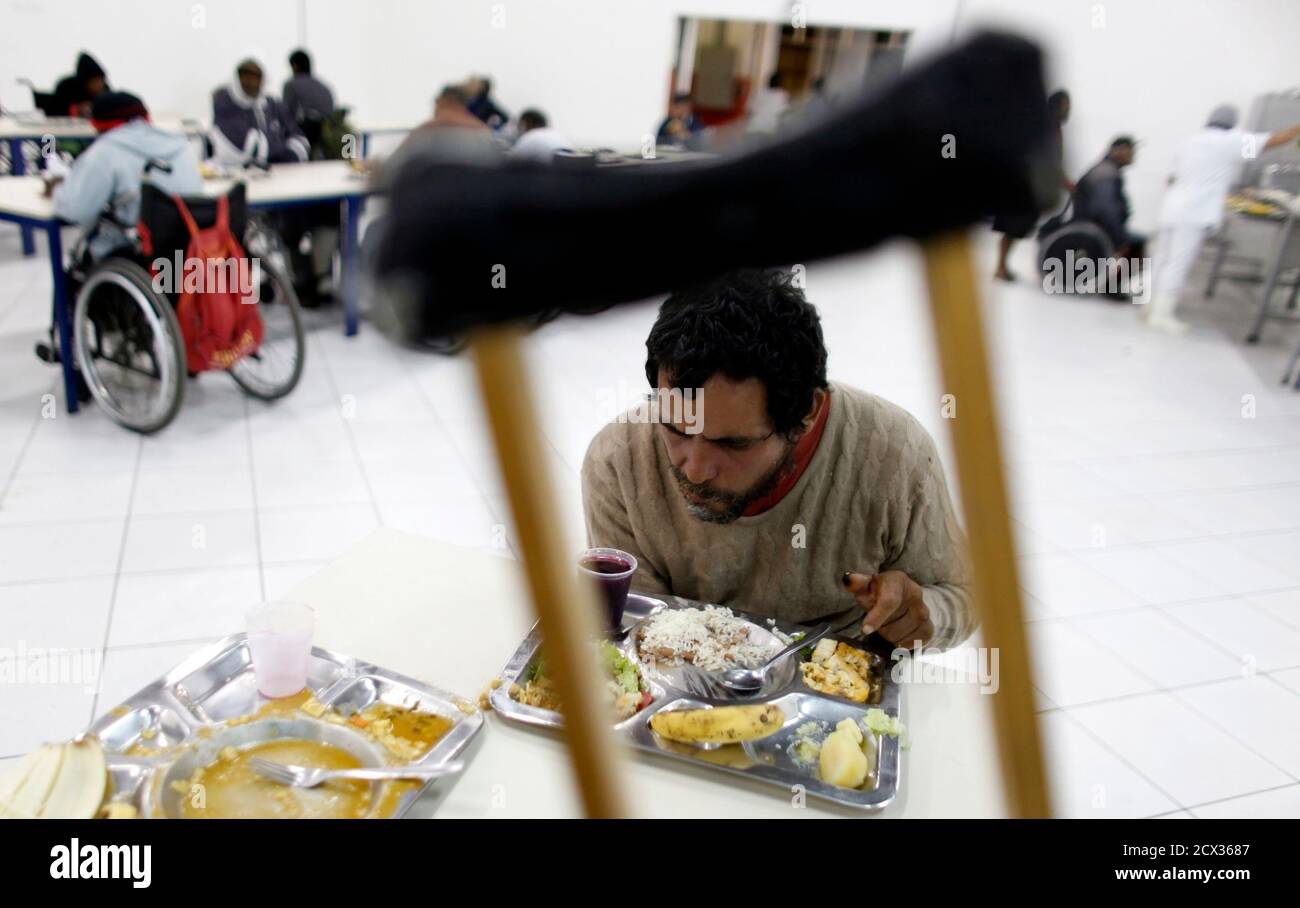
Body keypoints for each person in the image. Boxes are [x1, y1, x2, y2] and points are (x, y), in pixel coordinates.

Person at [581, 269, 975, 652]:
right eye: (674, 429)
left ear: (806, 413)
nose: (695, 469)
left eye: (733, 444)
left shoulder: (893, 453)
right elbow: (640, 631)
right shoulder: (620, 462)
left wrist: (921, 615)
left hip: (839, 685)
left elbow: (962, 596)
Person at [1147, 105, 1300, 333]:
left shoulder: (1189, 141)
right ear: (1231, 123)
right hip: (1194, 212)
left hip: (1171, 208)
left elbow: (1171, 178)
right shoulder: (1230, 141)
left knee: (1162, 259)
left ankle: (1148, 306)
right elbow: (1273, 141)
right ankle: (1161, 315)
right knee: (1178, 262)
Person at [47, 91, 202, 261]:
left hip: (137, 252)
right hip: (188, 247)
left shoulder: (104, 151)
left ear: (99, 125)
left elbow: (75, 210)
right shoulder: (182, 145)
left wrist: (59, 189)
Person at [993, 89, 1073, 281]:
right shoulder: (1042, 124)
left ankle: (1002, 266)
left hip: (1029, 188)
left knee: (1016, 228)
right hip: (1021, 186)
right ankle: (1000, 267)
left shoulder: (1054, 127)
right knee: (1011, 227)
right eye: (1065, 105)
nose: (1068, 109)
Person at [209, 57, 310, 166]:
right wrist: (283, 146)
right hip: (230, 177)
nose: (250, 82)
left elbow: (302, 143)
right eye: (245, 76)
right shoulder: (225, 102)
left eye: (256, 77)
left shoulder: (273, 105)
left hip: (278, 177)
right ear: (237, 77)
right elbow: (249, 146)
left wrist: (280, 152)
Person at [1074, 135, 1145, 269]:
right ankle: (1111, 287)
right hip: (1095, 228)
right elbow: (1106, 209)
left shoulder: (1106, 170)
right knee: (1136, 243)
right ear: (1117, 151)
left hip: (1094, 225)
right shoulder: (1106, 173)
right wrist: (1119, 239)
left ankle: (1112, 284)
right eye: (1130, 151)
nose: (1133, 155)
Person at [283, 49, 336, 128]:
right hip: (327, 134)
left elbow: (286, 115)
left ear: (295, 66)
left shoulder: (291, 85)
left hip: (305, 132)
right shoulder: (325, 87)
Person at [49, 52, 108, 118]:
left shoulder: (105, 89)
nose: (99, 85)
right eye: (95, 81)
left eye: (101, 81)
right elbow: (55, 109)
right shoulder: (66, 88)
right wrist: (76, 109)